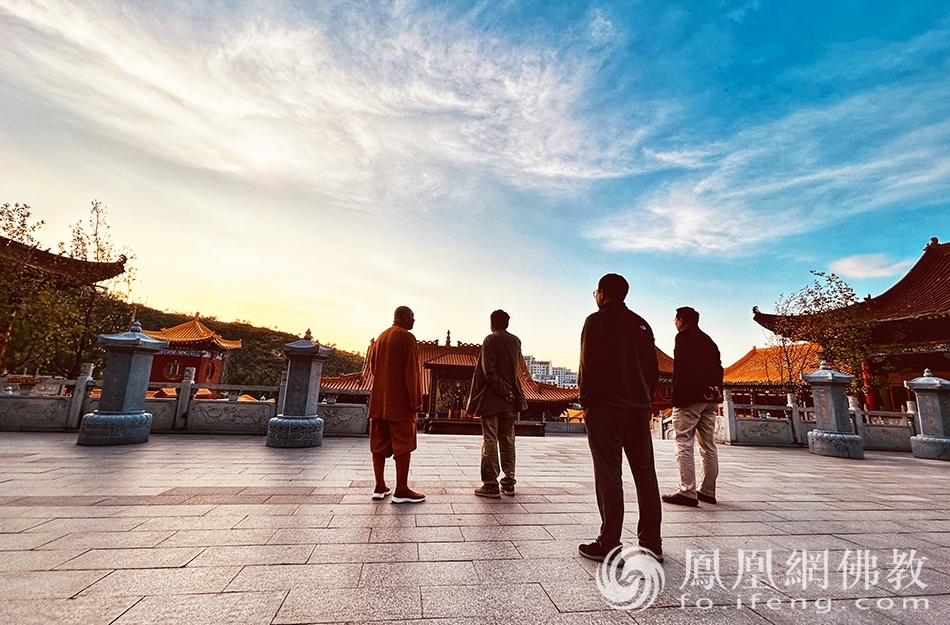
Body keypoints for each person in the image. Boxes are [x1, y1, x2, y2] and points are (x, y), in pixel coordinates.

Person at [578, 273, 663, 564]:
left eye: (596, 292)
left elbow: (587, 366)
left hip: (605, 410)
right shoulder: (642, 325)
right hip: (638, 410)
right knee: (645, 474)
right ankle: (652, 543)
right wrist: (644, 399)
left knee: (609, 474)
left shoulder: (595, 321)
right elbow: (653, 370)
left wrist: (587, 403)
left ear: (602, 293)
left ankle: (610, 544)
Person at [662, 306, 723, 507]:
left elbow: (682, 369)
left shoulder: (683, 338)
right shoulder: (708, 340)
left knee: (683, 442)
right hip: (710, 397)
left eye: (675, 319)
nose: (675, 322)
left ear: (681, 320)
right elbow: (719, 368)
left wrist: (677, 397)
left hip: (690, 397)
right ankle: (708, 490)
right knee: (708, 444)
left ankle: (687, 491)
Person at [467, 309, 528, 498]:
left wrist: (503, 390)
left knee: (490, 439)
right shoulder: (515, 341)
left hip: (493, 399)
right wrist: (510, 392)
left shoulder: (490, 340)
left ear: (492, 323)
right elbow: (512, 370)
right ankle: (509, 483)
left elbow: (489, 370)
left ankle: (490, 485)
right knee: (508, 440)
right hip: (510, 400)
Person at [367, 306, 425, 504]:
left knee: (378, 444)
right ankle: (401, 489)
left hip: (379, 400)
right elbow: (412, 373)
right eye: (413, 316)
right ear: (405, 317)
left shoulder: (381, 338)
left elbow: (373, 369)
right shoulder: (406, 337)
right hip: (399, 403)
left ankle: (379, 486)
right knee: (403, 445)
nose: (414, 321)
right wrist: (415, 401)